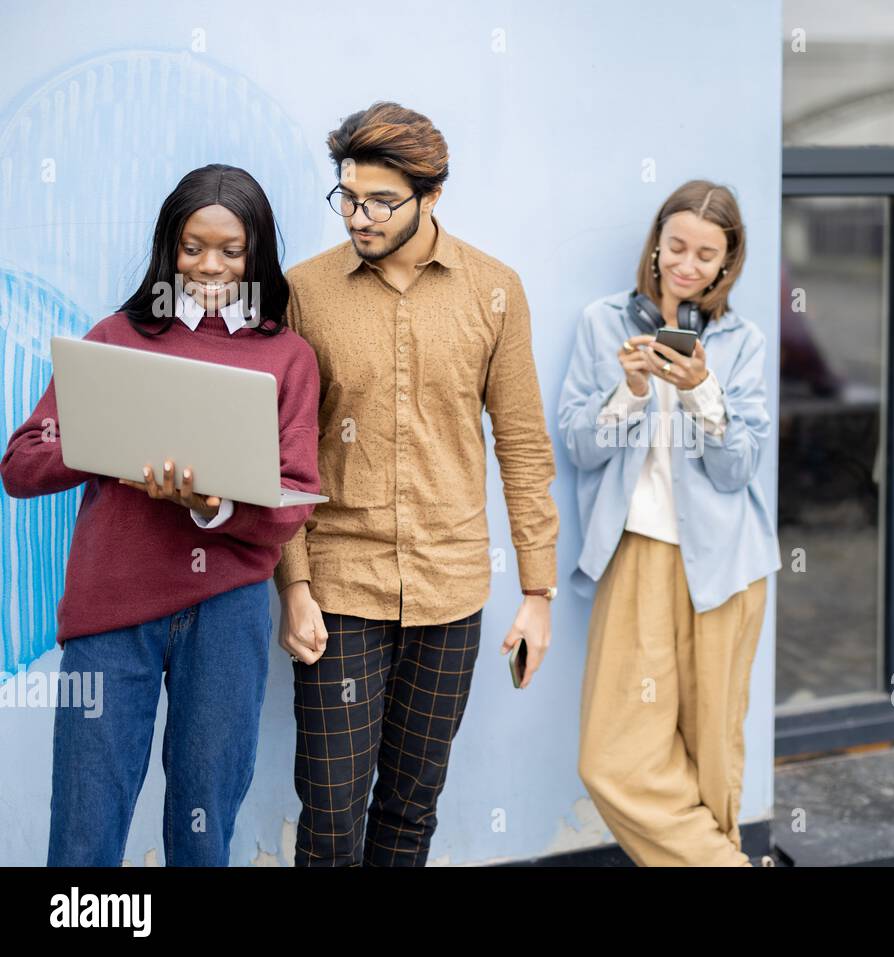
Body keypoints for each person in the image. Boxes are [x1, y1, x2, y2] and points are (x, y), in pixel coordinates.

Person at [0, 164, 322, 866]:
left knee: (204, 830)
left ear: (257, 253)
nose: (210, 265)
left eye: (231, 251)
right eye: (192, 246)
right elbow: (22, 465)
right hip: (112, 611)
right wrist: (110, 442)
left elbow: (294, 498)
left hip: (228, 614)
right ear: (168, 247)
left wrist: (215, 506)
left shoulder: (287, 357)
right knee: (84, 833)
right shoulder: (116, 337)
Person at [273, 101, 560, 867]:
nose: (358, 217)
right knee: (330, 812)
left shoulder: (496, 291)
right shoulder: (304, 291)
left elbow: (524, 446)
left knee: (409, 808)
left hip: (451, 588)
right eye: (347, 196)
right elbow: (283, 448)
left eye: (379, 202)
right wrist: (294, 584)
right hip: (341, 585)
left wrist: (537, 592)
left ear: (431, 197)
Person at [558, 179, 781, 866]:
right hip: (635, 558)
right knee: (611, 758)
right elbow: (578, 445)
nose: (687, 264)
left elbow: (737, 469)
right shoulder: (603, 322)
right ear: (655, 243)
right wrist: (627, 391)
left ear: (727, 262)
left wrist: (700, 391)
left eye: (706, 254)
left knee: (712, 755)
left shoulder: (743, 341)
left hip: (725, 565)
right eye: (676, 245)